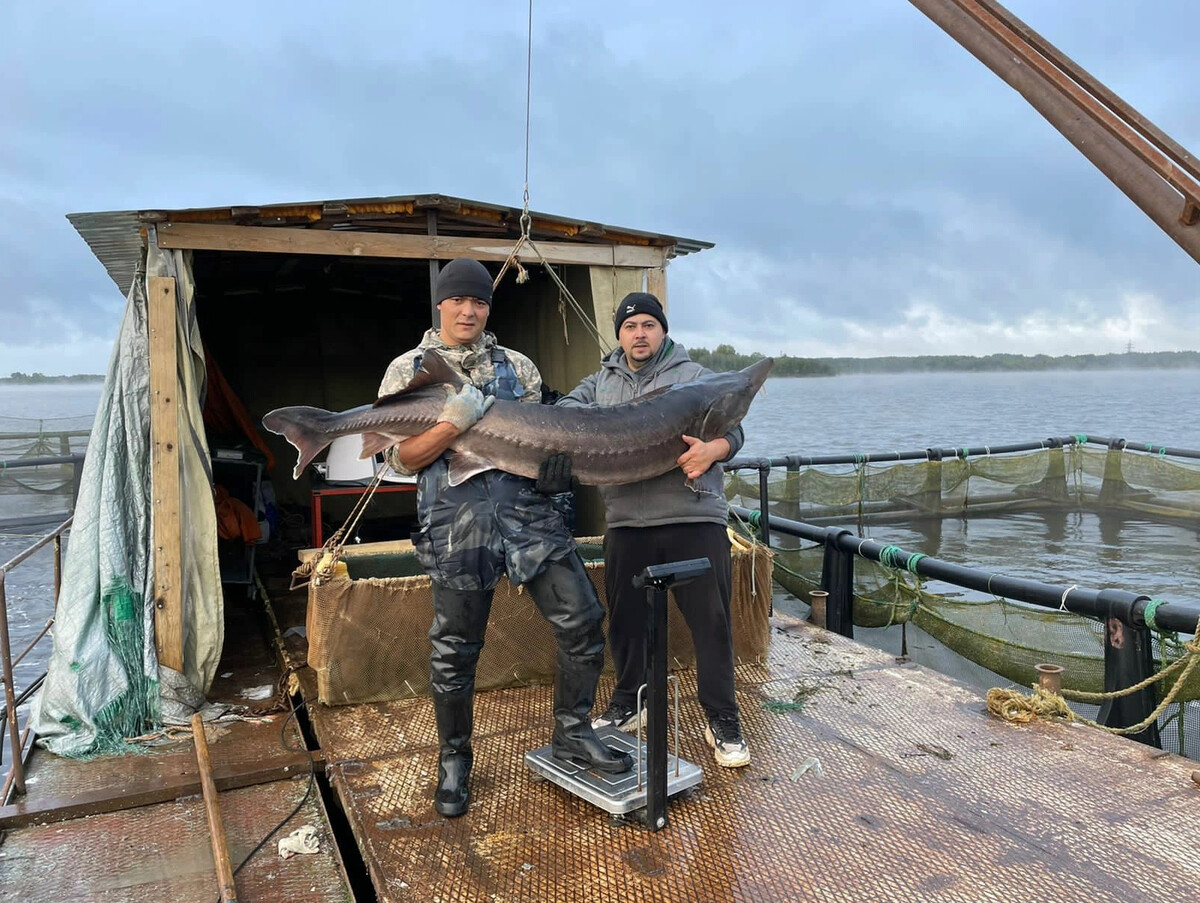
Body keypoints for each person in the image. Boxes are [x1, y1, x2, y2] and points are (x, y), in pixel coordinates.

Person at [379, 258, 632, 818]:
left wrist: (556, 474)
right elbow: (398, 461)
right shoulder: (407, 370)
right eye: (458, 301)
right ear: (440, 305)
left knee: (584, 619)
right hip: (455, 526)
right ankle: (454, 759)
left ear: (488, 308)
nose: (468, 310)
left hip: (531, 520)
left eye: (478, 302)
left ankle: (573, 731)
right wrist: (450, 427)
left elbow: (549, 437)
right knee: (455, 649)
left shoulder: (520, 366)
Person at [556, 292, 751, 767]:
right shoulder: (599, 384)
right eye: (630, 326)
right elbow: (562, 411)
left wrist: (716, 449)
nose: (639, 333)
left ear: (662, 330)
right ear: (618, 334)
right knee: (624, 622)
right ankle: (631, 702)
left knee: (711, 622)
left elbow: (737, 431)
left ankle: (722, 716)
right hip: (626, 522)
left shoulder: (695, 378)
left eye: (648, 324)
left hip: (693, 516)